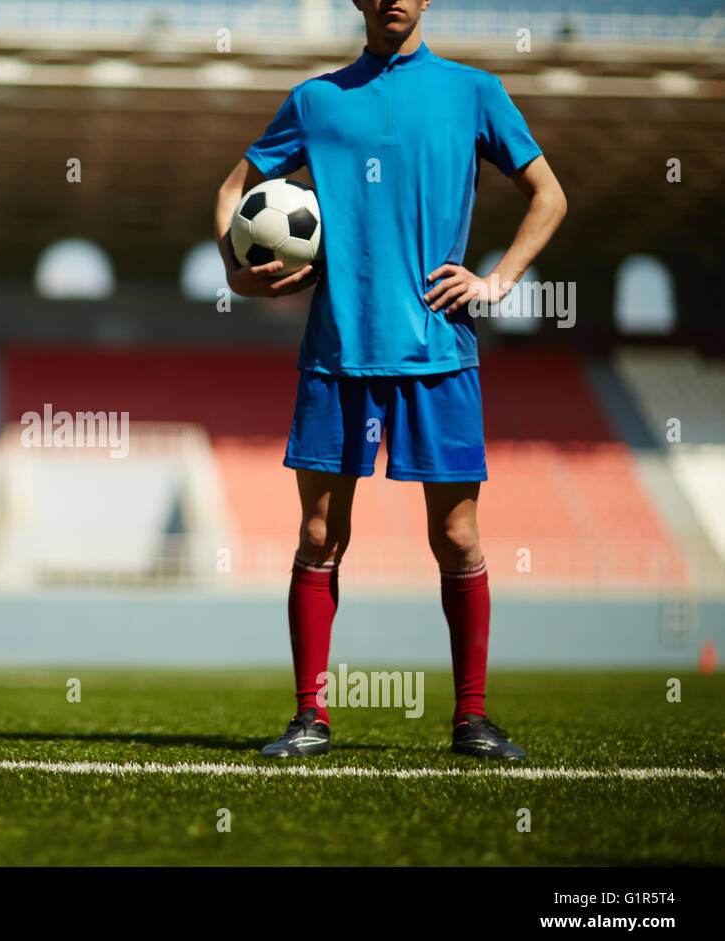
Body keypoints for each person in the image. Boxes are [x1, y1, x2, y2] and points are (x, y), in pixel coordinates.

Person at [213, 0, 567, 759]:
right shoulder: (315, 100)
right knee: (318, 535)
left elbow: (550, 195)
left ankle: (471, 718)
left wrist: (498, 280)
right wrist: (235, 271)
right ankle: (311, 718)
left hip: (439, 352)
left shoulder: (474, 92)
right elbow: (234, 186)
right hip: (337, 351)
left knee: (457, 534)